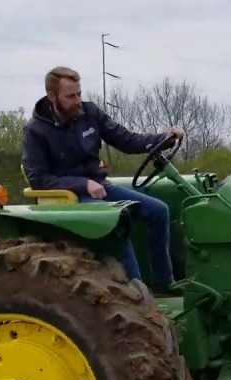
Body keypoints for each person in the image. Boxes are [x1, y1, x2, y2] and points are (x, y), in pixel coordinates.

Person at [21, 66, 185, 296]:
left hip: (99, 190)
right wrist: (82, 184)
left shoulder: (89, 114)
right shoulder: (35, 131)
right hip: (68, 200)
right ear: (52, 96)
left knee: (159, 211)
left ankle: (163, 284)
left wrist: (163, 139)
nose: (77, 100)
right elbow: (38, 179)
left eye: (79, 93)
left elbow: (126, 140)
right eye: (70, 96)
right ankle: (137, 296)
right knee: (118, 220)